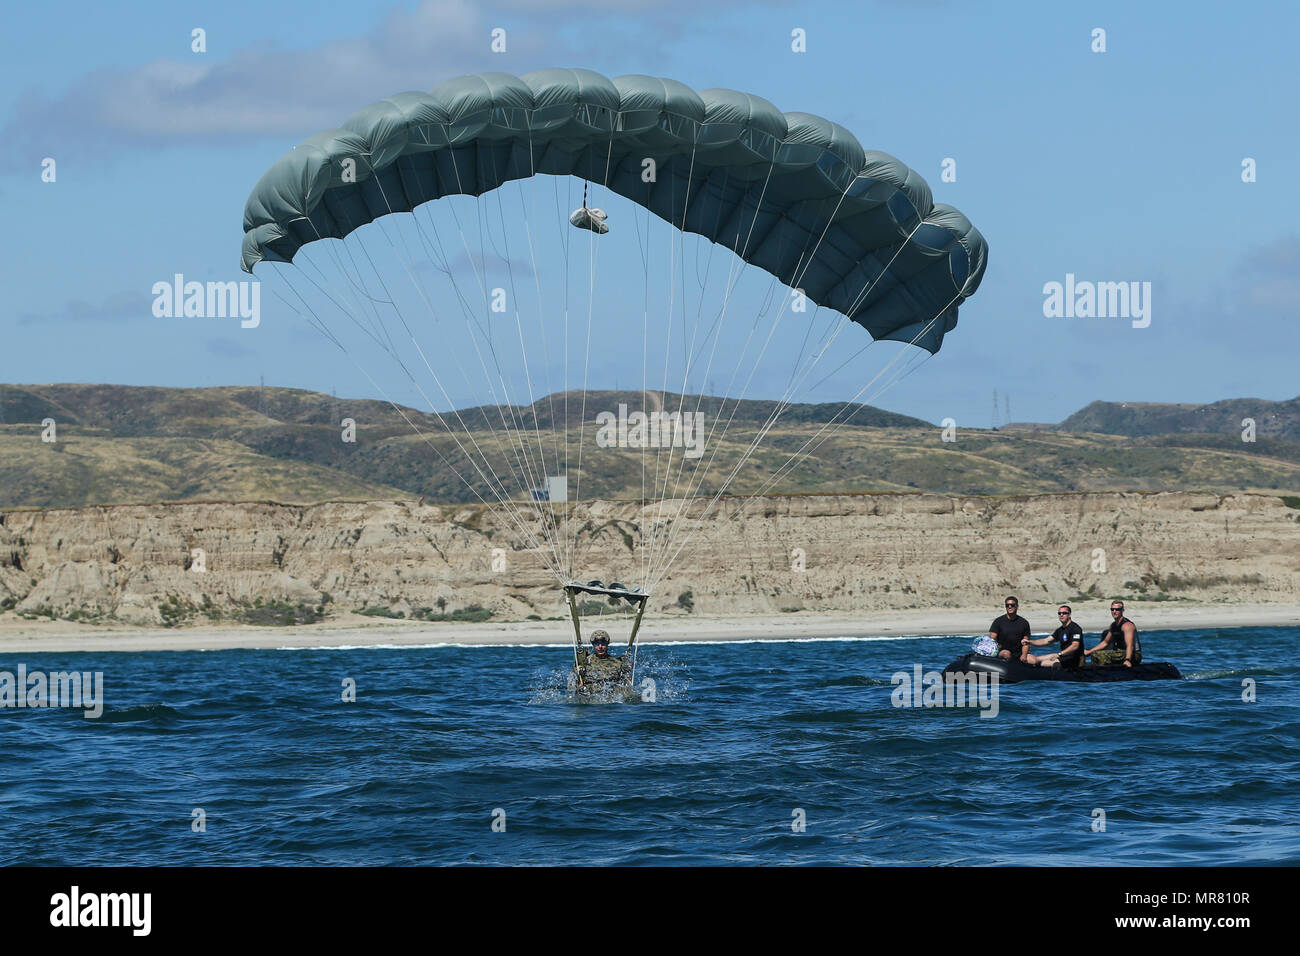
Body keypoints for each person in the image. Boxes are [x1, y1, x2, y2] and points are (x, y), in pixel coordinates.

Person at [1023, 605, 1084, 669]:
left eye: (1064, 613)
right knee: (1035, 660)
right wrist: (1029, 642)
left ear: (1069, 615)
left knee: (1044, 663)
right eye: (1059, 613)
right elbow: (1046, 641)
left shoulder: (1075, 628)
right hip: (1064, 656)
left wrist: (1059, 654)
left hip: (1074, 659)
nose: (1061, 615)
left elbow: (1075, 646)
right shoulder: (1060, 630)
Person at [1085, 601, 1142, 667]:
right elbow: (1105, 642)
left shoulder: (1127, 625)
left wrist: (1128, 660)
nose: (1114, 611)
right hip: (1120, 652)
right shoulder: (1113, 625)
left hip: (1133, 654)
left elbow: (1130, 645)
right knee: (1094, 654)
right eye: (1112, 609)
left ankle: (1106, 671)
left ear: (1122, 610)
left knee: (1100, 655)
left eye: (1117, 609)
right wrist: (1089, 652)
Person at [988, 597, 1032, 662]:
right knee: (1006, 654)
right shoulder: (998, 621)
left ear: (1017, 606)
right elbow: (992, 640)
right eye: (1007, 605)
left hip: (1018, 653)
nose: (1009, 607)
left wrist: (1024, 655)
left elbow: (1026, 642)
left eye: (1012, 605)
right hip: (1003, 652)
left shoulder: (1024, 623)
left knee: (1033, 660)